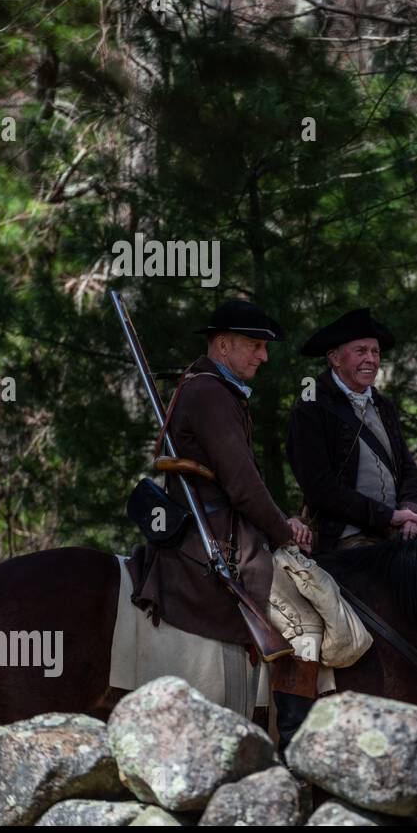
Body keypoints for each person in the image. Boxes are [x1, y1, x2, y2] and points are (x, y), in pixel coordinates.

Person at [133, 299, 315, 740]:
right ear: (222, 345)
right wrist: (283, 532)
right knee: (304, 613)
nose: (263, 356)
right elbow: (242, 485)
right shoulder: (211, 393)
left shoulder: (211, 388)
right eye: (254, 345)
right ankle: (293, 737)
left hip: (219, 522)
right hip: (213, 534)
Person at [286, 308, 417, 554]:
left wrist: (412, 513)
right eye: (361, 351)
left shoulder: (383, 406)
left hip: (395, 532)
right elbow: (320, 488)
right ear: (335, 357)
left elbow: (409, 471)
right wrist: (388, 516)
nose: (372, 360)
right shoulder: (310, 408)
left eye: (375, 352)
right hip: (343, 539)